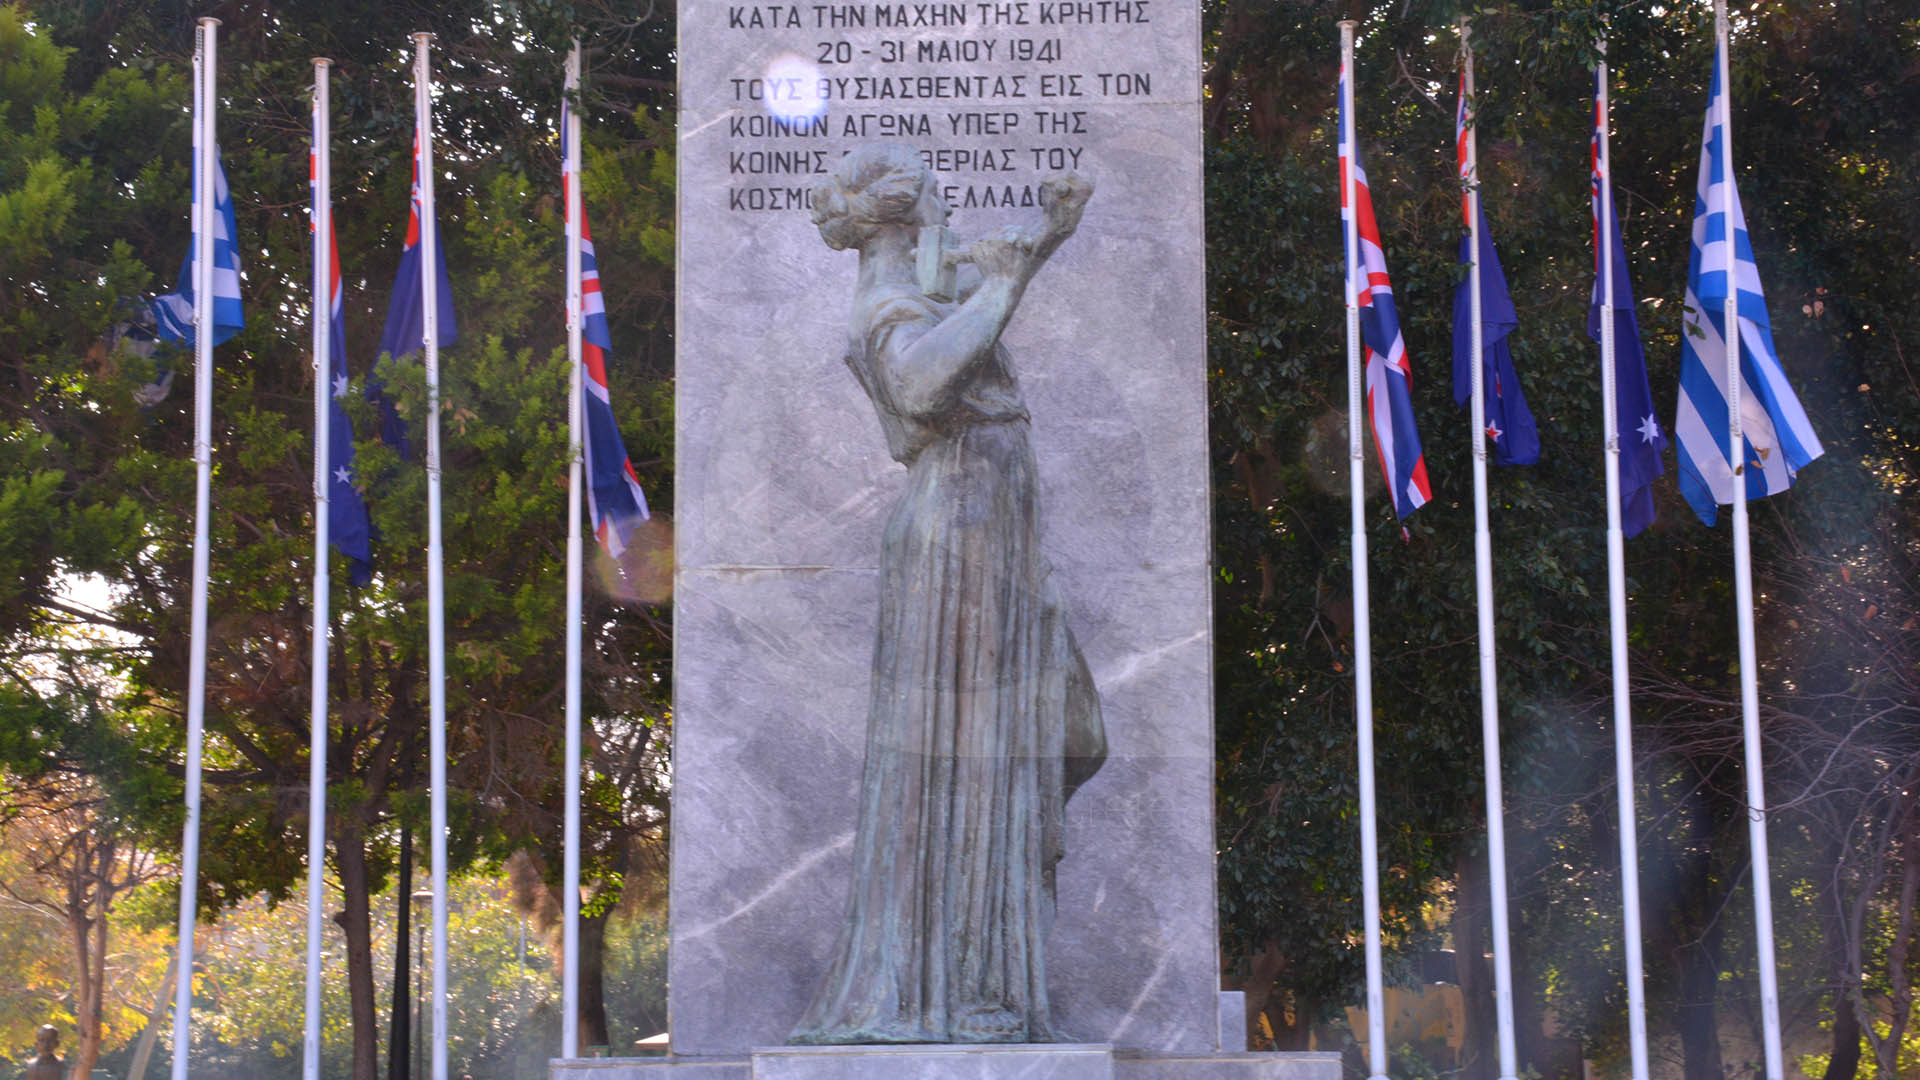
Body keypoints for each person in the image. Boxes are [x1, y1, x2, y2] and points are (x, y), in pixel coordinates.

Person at [789, 143, 1106, 1045]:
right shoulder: (885, 304)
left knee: (1068, 734)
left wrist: (1047, 234)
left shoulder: (931, 287)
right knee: (968, 757)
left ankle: (977, 974)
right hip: (954, 542)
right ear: (905, 211)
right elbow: (923, 386)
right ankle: (948, 991)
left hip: (995, 538)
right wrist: (1006, 285)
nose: (948, 208)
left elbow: (986, 280)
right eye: (935, 195)